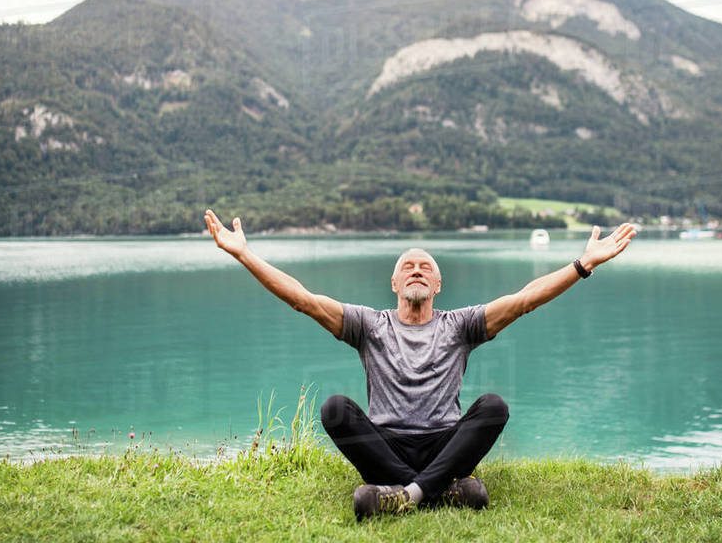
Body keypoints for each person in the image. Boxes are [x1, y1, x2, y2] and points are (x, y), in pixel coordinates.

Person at [204, 208, 637, 520]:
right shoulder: (368, 325)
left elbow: (524, 300)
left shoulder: (460, 325)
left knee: (493, 407)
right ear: (394, 282)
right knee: (335, 408)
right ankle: (440, 490)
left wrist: (583, 265)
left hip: (443, 444)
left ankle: (405, 494)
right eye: (407, 266)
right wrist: (244, 254)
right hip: (385, 445)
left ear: (437, 283)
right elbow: (302, 298)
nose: (416, 270)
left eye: (425, 266)